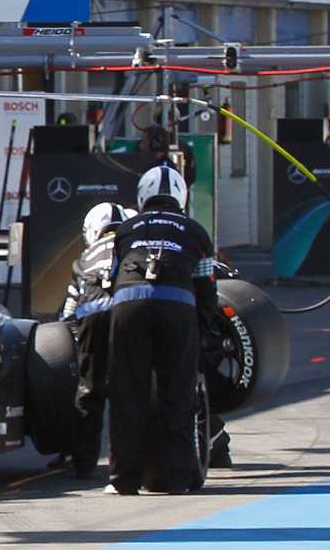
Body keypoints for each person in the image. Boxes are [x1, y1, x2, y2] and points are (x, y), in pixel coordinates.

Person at [104, 165, 219, 496]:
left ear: (142, 197)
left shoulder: (125, 229)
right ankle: (174, 479)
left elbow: (112, 279)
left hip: (128, 306)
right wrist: (200, 333)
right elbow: (206, 290)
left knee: (126, 393)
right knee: (178, 395)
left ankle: (123, 480)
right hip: (177, 307)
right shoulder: (196, 232)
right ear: (182, 197)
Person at [60, 202, 131, 481]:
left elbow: (67, 312)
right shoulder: (133, 244)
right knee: (131, 390)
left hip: (91, 318)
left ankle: (83, 463)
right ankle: (127, 460)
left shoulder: (84, 257)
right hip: (128, 314)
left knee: (88, 390)